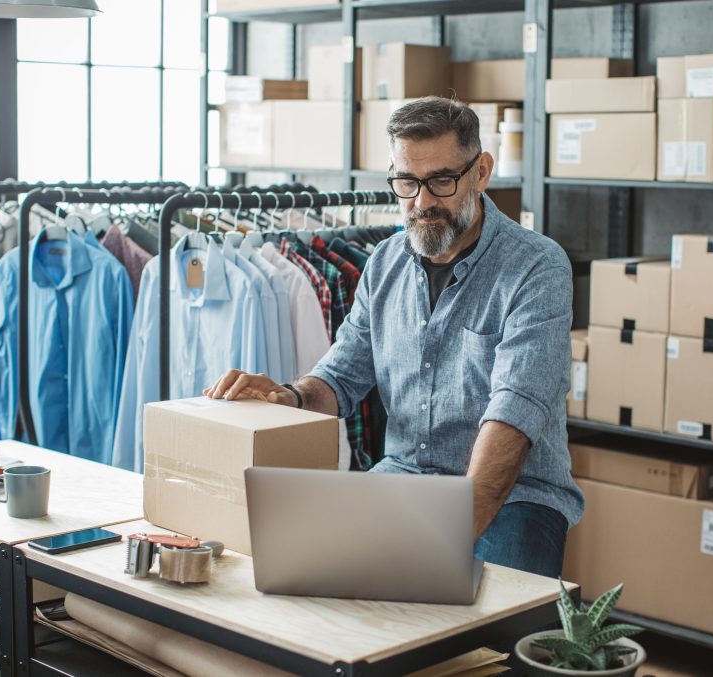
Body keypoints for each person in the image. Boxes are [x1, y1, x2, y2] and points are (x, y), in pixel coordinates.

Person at [205, 96, 583, 578]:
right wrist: (288, 396)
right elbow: (341, 378)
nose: (423, 202)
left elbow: (514, 413)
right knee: (300, 587)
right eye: (406, 183)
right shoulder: (384, 262)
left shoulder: (536, 265)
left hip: (516, 497)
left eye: (442, 181)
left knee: (492, 638)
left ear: (482, 172)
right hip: (399, 482)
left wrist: (437, 542)